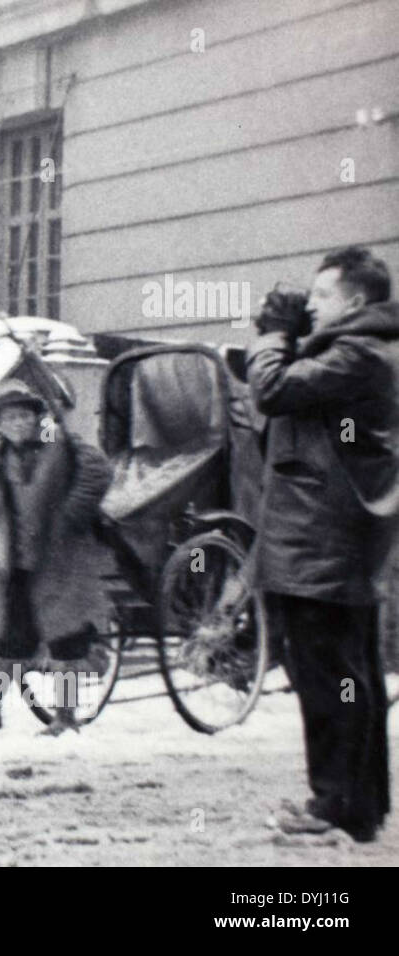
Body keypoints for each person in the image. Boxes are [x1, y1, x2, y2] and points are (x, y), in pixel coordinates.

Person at [249, 246, 399, 843]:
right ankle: (360, 804)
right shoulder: (366, 349)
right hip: (336, 538)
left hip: (321, 538)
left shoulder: (358, 353)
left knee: (325, 671)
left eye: (322, 296)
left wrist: (272, 334)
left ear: (355, 302)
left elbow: (273, 389)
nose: (309, 306)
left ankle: (333, 802)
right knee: (350, 670)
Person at [0, 378, 113, 736]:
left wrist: (72, 512)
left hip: (59, 561)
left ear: (35, 419)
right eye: (9, 417)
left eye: (23, 416)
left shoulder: (53, 441)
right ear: (0, 422)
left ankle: (65, 717)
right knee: (7, 641)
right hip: (17, 565)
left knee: (65, 642)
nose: (17, 423)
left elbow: (97, 469)